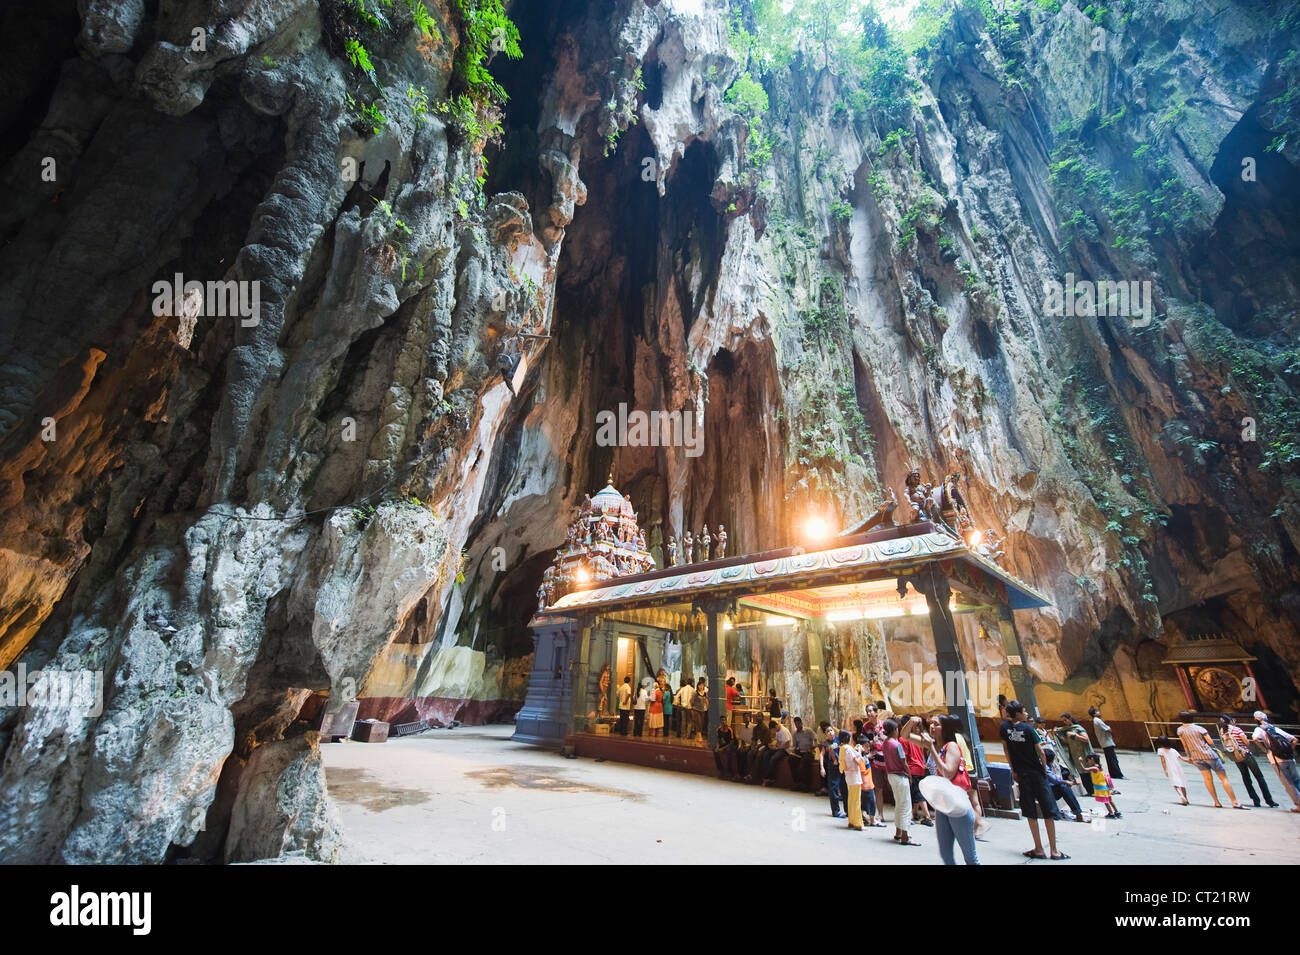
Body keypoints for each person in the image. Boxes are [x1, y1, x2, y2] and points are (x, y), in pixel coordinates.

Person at [1000, 699, 1068, 860]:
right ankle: (1054, 850)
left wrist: (1013, 769)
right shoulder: (1029, 729)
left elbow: (1006, 749)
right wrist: (1044, 768)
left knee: (1030, 812)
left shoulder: (1004, 728)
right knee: (1048, 811)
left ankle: (1038, 848)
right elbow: (1041, 752)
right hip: (1036, 773)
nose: (1026, 714)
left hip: (1022, 774)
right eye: (1024, 711)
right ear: (1017, 713)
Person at [1176, 712, 1246, 809]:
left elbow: (1185, 745)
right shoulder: (1199, 728)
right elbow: (1211, 742)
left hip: (1196, 757)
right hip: (1209, 755)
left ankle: (1216, 802)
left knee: (1208, 779)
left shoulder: (1180, 730)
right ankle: (1234, 802)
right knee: (1223, 778)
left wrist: (1189, 757)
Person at [1034, 717, 1089, 823]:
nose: (1043, 725)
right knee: (1063, 786)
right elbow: (1051, 777)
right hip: (1042, 792)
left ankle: (1077, 812)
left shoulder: (1046, 764)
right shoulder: (1042, 766)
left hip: (1049, 789)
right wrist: (1065, 781)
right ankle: (1077, 813)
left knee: (1063, 785)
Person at [919, 774, 980, 865]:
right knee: (946, 854)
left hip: (958, 806)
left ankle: (978, 824)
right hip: (944, 803)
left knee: (970, 858)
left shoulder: (951, 758)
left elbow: (948, 772)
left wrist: (936, 759)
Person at [1218, 715, 1277, 808]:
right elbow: (1247, 742)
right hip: (1246, 755)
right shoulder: (1237, 730)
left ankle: (1255, 800)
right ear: (1231, 721)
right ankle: (1269, 800)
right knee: (1259, 776)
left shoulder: (1222, 731)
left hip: (1236, 757)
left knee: (1246, 777)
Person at [1251, 711, 1300, 811]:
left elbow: (1254, 738)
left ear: (1256, 720)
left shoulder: (1259, 729)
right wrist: (1290, 750)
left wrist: (1264, 749)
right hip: (1290, 758)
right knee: (1297, 781)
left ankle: (1298, 805)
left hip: (1277, 760)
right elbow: (1294, 739)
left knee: (1288, 783)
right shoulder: (1275, 728)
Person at [882, 719, 921, 846]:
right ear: (894, 730)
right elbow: (903, 762)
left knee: (899, 804)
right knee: (906, 806)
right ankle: (905, 835)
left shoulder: (885, 743)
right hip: (900, 775)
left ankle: (898, 832)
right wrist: (909, 775)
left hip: (891, 775)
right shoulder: (897, 744)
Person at [901, 716, 934, 827]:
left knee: (917, 793)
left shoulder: (905, 739)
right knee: (916, 791)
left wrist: (907, 772)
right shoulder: (919, 738)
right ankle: (915, 813)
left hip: (912, 768)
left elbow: (904, 757)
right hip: (921, 767)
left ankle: (927, 816)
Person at [1056, 713, 1096, 794]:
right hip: (1076, 755)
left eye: (1065, 720)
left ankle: (1094, 789)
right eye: (1063, 721)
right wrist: (1058, 736)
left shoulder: (1078, 728)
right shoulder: (1067, 729)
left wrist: (1075, 735)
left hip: (1084, 754)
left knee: (1088, 771)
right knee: (1081, 772)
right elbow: (1068, 741)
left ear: (1070, 719)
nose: (1064, 722)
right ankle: (1089, 791)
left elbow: (1085, 738)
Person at [1089, 706, 1125, 780]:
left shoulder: (1096, 720)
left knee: (1110, 759)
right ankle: (1118, 774)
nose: (1099, 712)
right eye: (1097, 711)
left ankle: (1113, 774)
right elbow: (1108, 729)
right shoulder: (1097, 720)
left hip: (1104, 742)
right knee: (1113, 759)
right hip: (1107, 742)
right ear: (1094, 714)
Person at [838, 731, 865, 830]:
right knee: (857, 801)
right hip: (854, 776)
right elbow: (857, 761)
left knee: (851, 800)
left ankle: (851, 821)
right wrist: (860, 752)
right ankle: (858, 823)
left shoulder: (842, 748)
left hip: (848, 776)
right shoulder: (848, 748)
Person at [1081, 753, 1121, 818]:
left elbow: (1084, 769)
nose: (1088, 762)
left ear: (1092, 759)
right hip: (1105, 785)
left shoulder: (1094, 768)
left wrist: (1080, 762)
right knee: (1109, 799)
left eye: (1088, 760)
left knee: (1106, 801)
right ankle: (1117, 812)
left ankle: (1111, 813)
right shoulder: (1099, 766)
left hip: (1100, 787)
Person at [1155, 735, 1189, 806]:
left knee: (1174, 782)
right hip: (1178, 767)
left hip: (1170, 767)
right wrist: (1189, 761)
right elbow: (1182, 758)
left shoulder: (1160, 750)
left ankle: (1181, 796)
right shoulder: (1173, 750)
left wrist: (1165, 770)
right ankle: (1186, 798)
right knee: (1182, 782)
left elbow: (1163, 761)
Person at [822, 725, 846, 818]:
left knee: (845, 788)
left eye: (831, 730)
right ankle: (836, 811)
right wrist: (822, 768)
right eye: (827, 731)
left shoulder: (839, 739)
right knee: (833, 788)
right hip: (833, 766)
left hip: (842, 764)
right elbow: (824, 754)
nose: (830, 732)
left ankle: (848, 810)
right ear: (825, 735)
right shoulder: (826, 744)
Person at [761, 720, 792, 786]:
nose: (773, 732)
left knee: (773, 759)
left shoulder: (784, 731)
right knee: (766, 754)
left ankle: (771, 778)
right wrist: (774, 746)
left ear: (775, 726)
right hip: (780, 747)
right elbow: (778, 741)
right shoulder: (777, 731)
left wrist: (778, 748)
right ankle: (766, 775)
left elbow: (787, 744)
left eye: (773, 730)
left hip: (786, 750)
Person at [790, 717, 816, 791]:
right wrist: (793, 750)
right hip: (800, 752)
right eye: (796, 724)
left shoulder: (808, 731)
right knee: (791, 759)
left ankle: (805, 784)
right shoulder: (795, 734)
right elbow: (795, 745)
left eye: (798, 723)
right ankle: (797, 782)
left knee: (804, 761)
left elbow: (815, 741)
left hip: (809, 751)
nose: (797, 725)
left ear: (801, 723)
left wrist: (811, 748)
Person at [713, 715, 738, 779]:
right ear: (720, 722)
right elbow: (719, 740)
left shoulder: (730, 729)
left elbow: (731, 743)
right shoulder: (719, 729)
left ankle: (729, 770)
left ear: (726, 721)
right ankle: (721, 769)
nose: (723, 722)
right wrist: (717, 747)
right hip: (724, 744)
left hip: (732, 744)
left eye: (724, 720)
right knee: (715, 750)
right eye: (722, 720)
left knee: (728, 751)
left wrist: (722, 748)